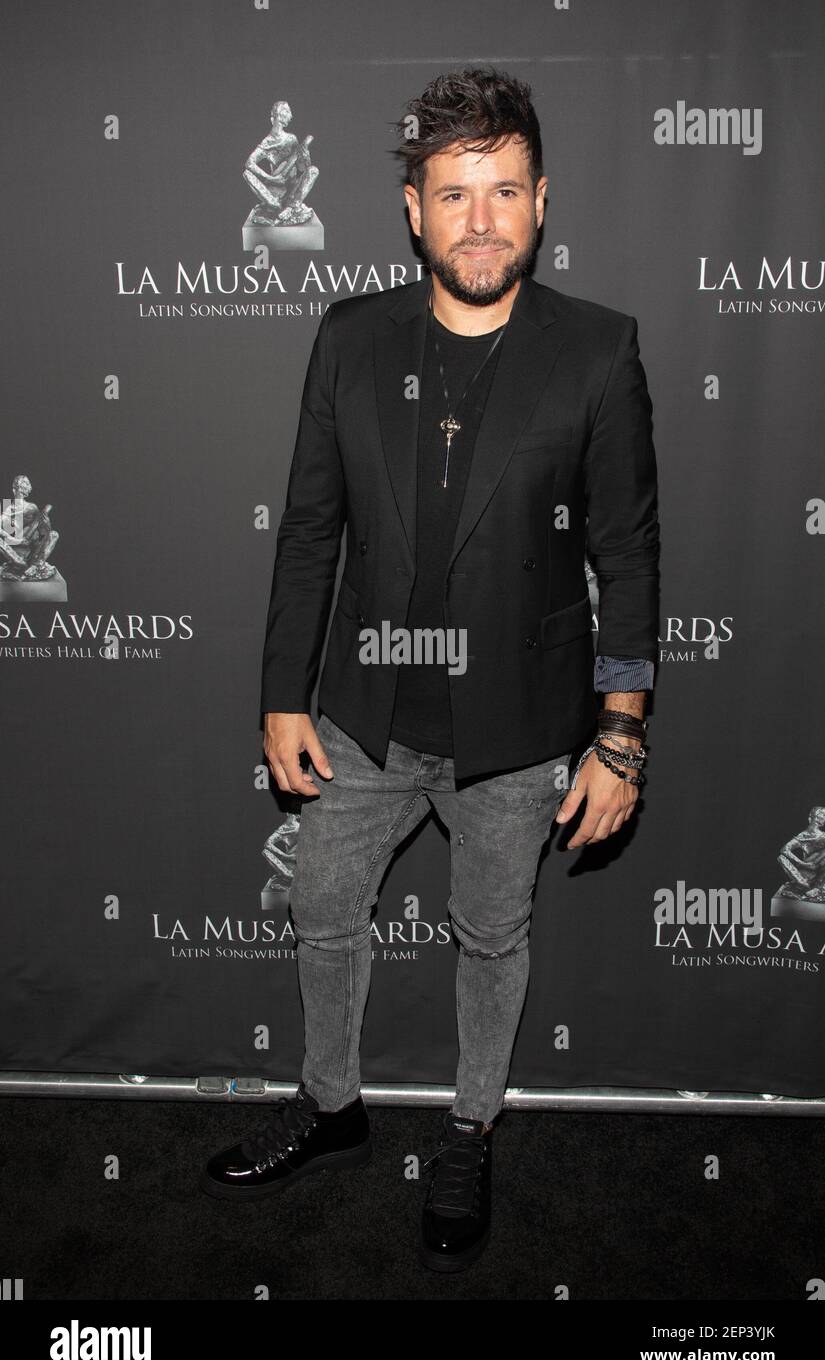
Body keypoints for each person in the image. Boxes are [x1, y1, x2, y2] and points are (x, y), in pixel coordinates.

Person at [201, 66, 660, 1274]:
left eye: (503, 189)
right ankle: (334, 1100)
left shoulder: (600, 353)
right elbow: (310, 531)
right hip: (360, 712)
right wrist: (281, 696)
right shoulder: (351, 338)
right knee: (321, 911)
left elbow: (627, 550)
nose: (480, 219)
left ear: (541, 197)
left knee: (492, 935)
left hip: (518, 727)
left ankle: (469, 1129)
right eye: (453, 193)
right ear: (415, 207)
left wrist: (621, 735)